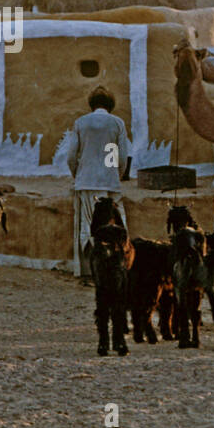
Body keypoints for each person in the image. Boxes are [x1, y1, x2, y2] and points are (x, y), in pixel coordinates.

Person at [65, 86, 131, 282]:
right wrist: (116, 175)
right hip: (110, 182)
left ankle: (88, 272)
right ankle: (121, 266)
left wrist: (78, 174)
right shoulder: (117, 123)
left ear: (92, 104)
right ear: (110, 105)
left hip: (86, 182)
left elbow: (71, 156)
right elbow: (122, 157)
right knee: (118, 226)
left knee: (88, 227)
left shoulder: (80, 123)